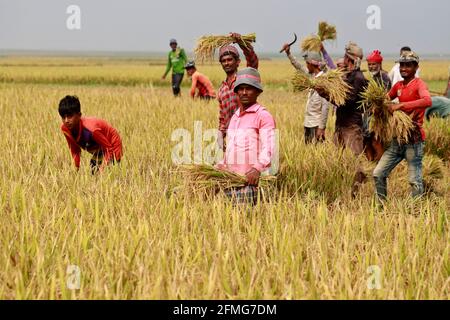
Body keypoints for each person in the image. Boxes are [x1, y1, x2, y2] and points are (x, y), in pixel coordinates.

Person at [373, 52, 432, 202]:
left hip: (414, 140)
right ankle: (381, 207)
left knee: (414, 180)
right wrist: (378, 105)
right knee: (378, 173)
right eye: (402, 65)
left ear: (416, 67)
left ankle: (416, 211)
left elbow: (427, 101)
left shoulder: (419, 84)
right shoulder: (398, 86)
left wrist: (401, 105)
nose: (404, 68)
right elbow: (385, 99)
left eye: (408, 65)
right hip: (397, 140)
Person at [216, 68, 276, 205]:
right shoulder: (235, 117)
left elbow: (269, 148)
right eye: (240, 88)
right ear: (236, 92)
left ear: (258, 92)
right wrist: (221, 166)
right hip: (233, 180)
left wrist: (257, 169)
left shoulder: (263, 116)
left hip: (251, 183)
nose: (244, 92)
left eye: (249, 89)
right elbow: (231, 148)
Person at [316, 42, 368, 197]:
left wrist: (325, 94)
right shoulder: (349, 75)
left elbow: (346, 101)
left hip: (352, 127)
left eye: (346, 57)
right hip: (341, 125)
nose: (344, 60)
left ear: (350, 59)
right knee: (338, 161)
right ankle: (341, 188)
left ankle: (356, 191)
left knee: (356, 161)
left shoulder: (358, 78)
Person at [281, 43, 335, 143]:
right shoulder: (311, 77)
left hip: (316, 124)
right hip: (308, 123)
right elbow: (299, 67)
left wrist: (321, 128)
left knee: (317, 153)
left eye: (307, 63)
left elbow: (325, 107)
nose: (306, 65)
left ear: (311, 64)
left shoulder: (323, 81)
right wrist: (288, 53)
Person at [59, 95, 123, 174]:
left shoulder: (91, 130)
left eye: (70, 116)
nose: (66, 121)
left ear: (79, 115)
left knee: (111, 172)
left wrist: (102, 169)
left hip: (112, 145)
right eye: (63, 117)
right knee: (93, 170)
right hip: (98, 147)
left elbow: (108, 149)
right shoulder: (65, 129)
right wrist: (75, 171)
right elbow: (75, 150)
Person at [217, 33, 259, 150]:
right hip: (232, 137)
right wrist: (220, 135)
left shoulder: (244, 78)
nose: (226, 63)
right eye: (223, 61)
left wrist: (242, 43)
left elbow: (253, 61)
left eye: (230, 59)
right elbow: (222, 117)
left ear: (238, 62)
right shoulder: (222, 89)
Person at [363, 50, 392, 162]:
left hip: (378, 115)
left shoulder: (384, 77)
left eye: (374, 64)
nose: (371, 67)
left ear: (379, 64)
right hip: (368, 114)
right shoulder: (371, 78)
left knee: (376, 141)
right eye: (369, 64)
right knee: (367, 140)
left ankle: (380, 165)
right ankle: (370, 163)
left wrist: (377, 108)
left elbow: (385, 97)